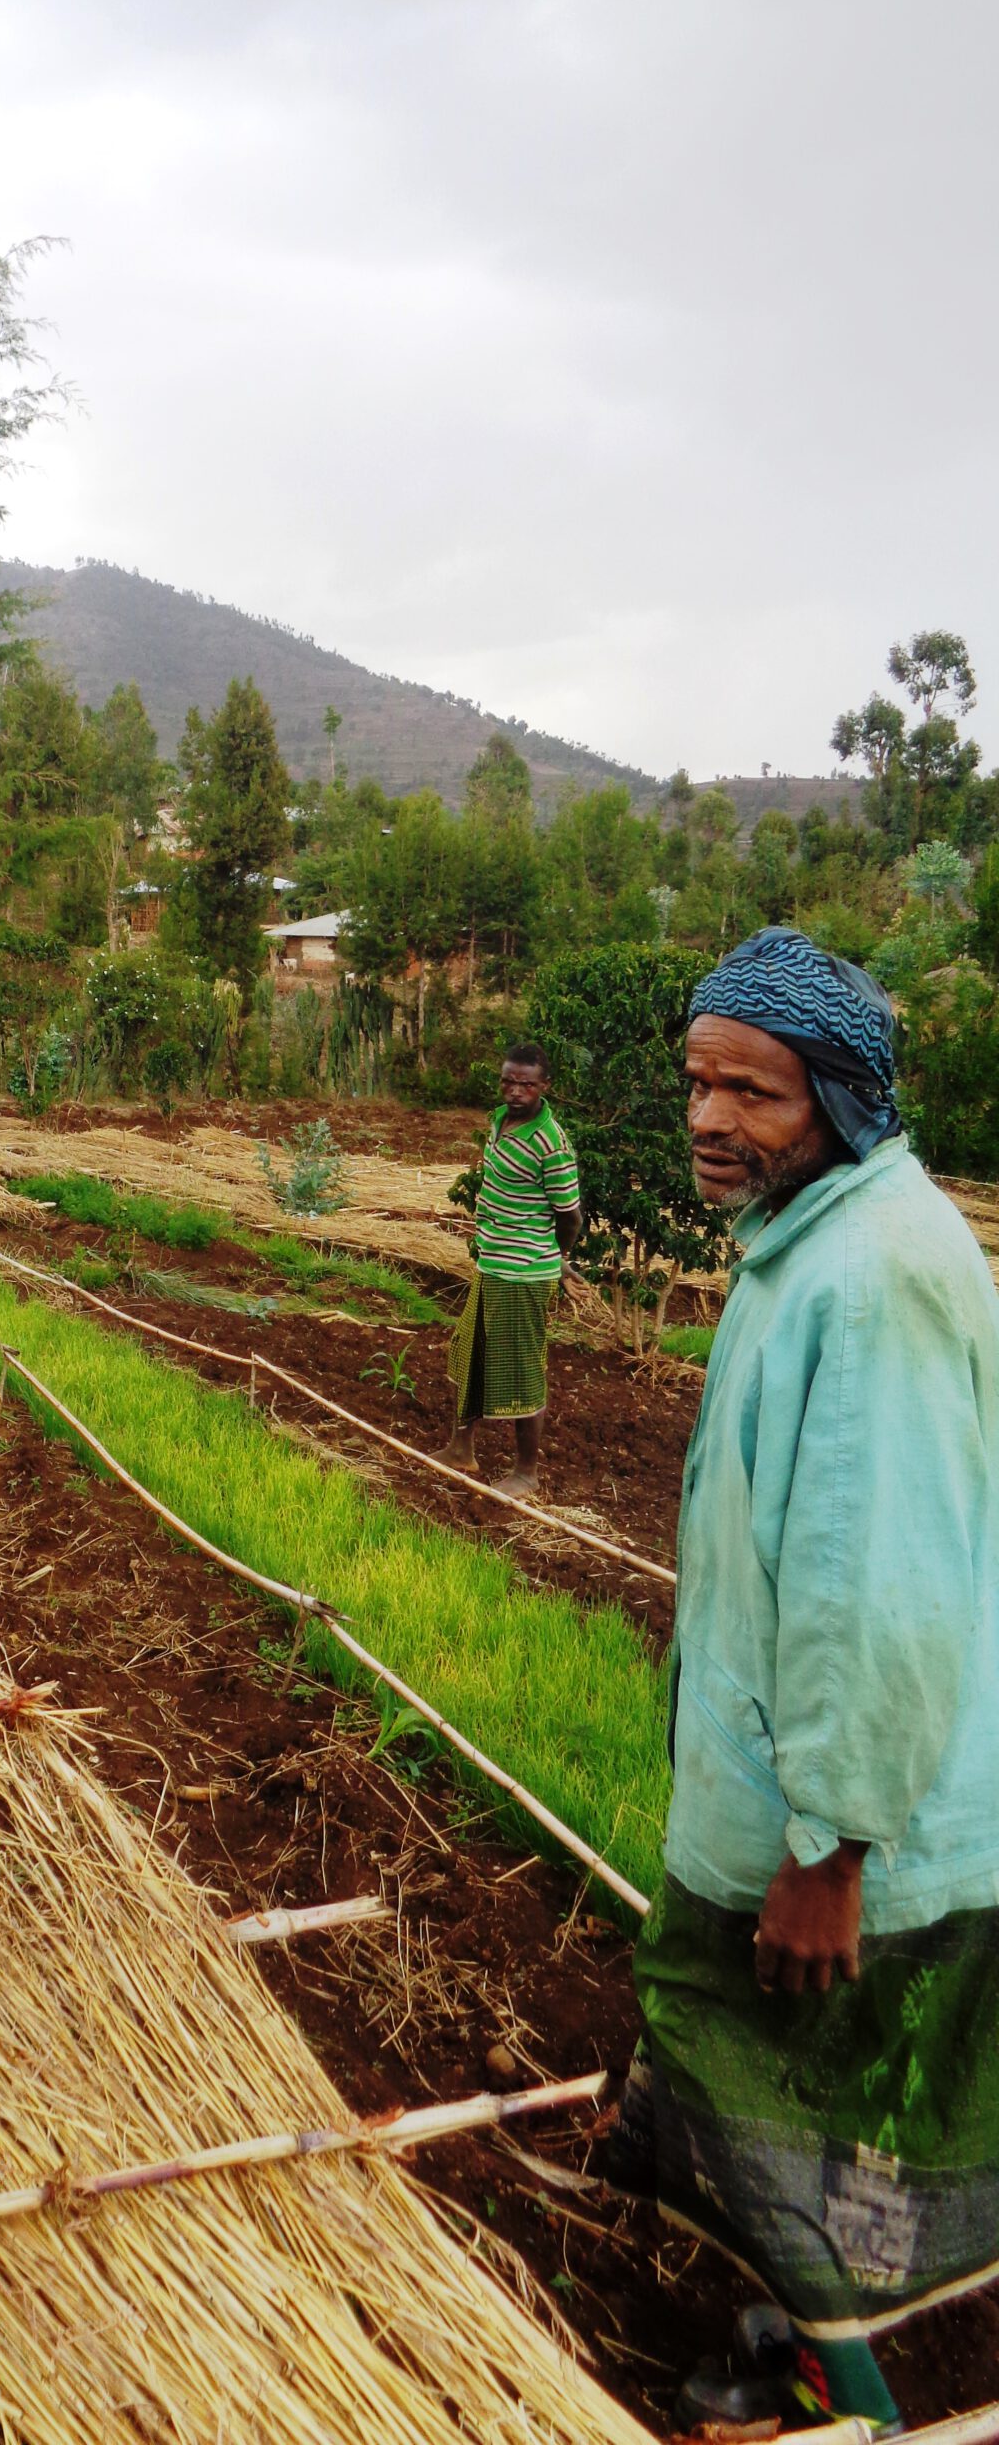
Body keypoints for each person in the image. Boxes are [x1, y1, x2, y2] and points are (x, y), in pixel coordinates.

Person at [609, 927, 999, 2439]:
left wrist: (830, 1844)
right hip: (798, 1804)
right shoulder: (822, 1240)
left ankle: (855, 2391)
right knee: (802, 2116)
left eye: (755, 1093)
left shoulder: (869, 1282)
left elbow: (871, 1588)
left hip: (847, 1835)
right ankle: (793, 2337)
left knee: (792, 2101)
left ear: (841, 1097)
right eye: (699, 1084)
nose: (711, 1121)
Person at [446, 1042, 582, 1500]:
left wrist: (555, 1259)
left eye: (526, 1083)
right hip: (491, 1263)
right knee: (473, 1354)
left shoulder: (551, 1142)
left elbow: (570, 1216)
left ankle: (527, 1473)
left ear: (545, 1087)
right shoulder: (500, 1121)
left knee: (523, 1372)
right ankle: (461, 1448)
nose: (515, 1089)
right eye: (508, 1080)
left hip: (524, 1274)